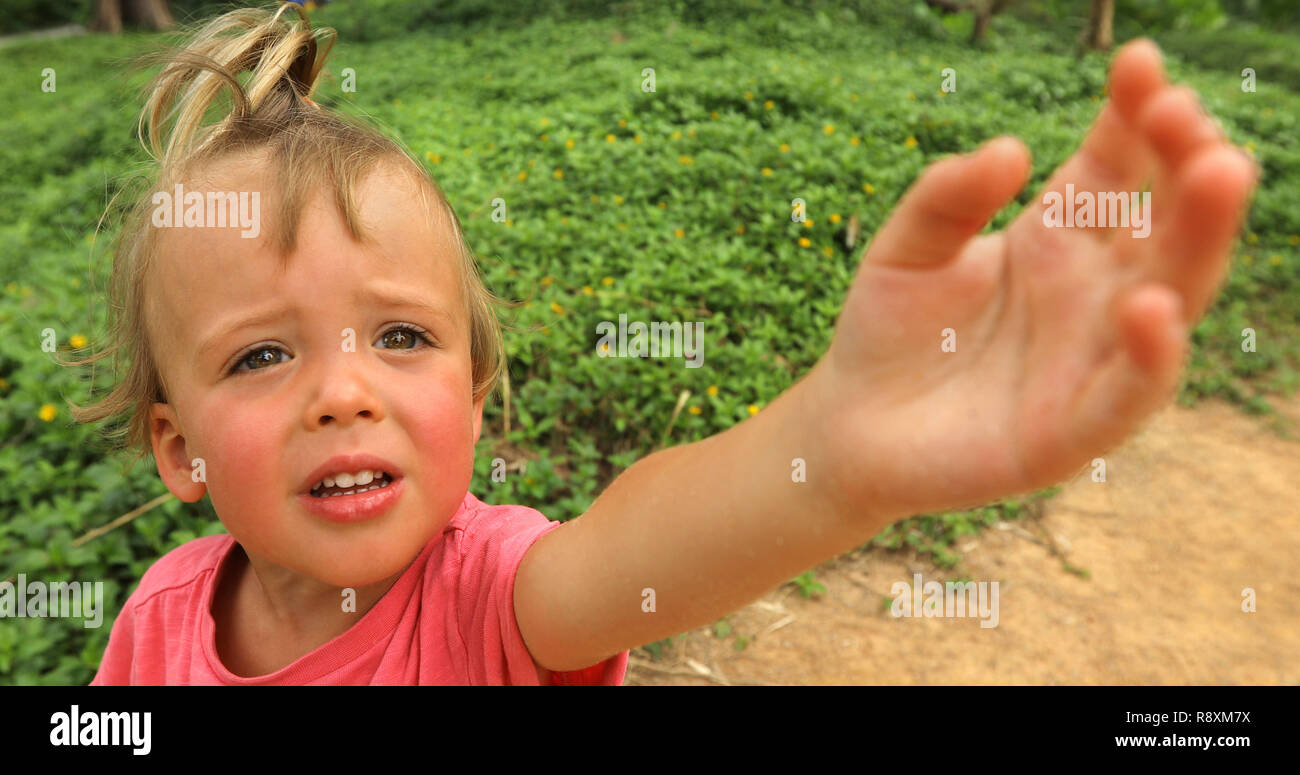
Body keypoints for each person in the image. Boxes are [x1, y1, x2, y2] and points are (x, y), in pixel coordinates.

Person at [75, 3, 1256, 684]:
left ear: (476, 399)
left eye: (399, 335)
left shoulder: (493, 597)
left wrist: (832, 449)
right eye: (260, 356)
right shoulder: (158, 625)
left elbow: (651, 541)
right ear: (179, 448)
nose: (342, 392)